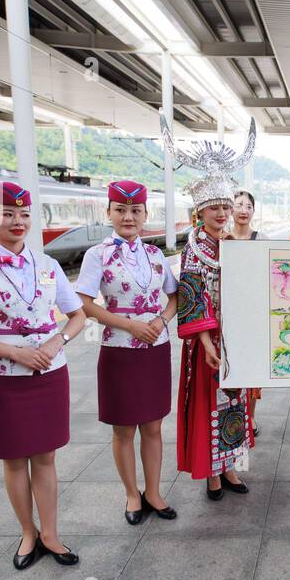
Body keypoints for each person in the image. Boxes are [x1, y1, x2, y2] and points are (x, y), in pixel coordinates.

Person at [0, 182, 87, 570]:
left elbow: (78, 315)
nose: (17, 221)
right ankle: (28, 532)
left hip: (48, 373)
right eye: (7, 213)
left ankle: (51, 534)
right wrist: (13, 352)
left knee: (45, 457)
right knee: (13, 460)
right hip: (1, 378)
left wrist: (56, 343)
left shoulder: (48, 266)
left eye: (24, 214)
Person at [74, 180, 178, 526]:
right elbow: (84, 304)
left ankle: (154, 491)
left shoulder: (154, 255)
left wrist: (161, 321)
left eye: (135, 211)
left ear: (146, 214)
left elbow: (174, 297)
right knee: (123, 430)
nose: (128, 217)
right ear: (108, 213)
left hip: (155, 349)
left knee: (153, 426)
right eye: (120, 210)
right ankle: (132, 494)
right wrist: (131, 325)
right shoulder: (97, 255)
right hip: (118, 350)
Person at [173, 124, 256, 500]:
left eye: (226, 206)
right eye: (215, 208)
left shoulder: (235, 245)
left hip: (234, 338)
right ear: (200, 211)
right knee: (210, 404)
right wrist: (206, 341)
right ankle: (212, 473)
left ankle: (232, 467)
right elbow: (193, 298)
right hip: (208, 341)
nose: (222, 213)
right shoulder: (194, 249)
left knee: (236, 401)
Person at [224, 189, 263, 436]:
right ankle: (232, 415)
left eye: (248, 206)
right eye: (238, 205)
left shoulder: (262, 238)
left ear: (253, 211)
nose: (243, 210)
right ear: (230, 209)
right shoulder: (222, 240)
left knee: (253, 370)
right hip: (228, 315)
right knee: (232, 367)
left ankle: (250, 416)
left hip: (254, 315)